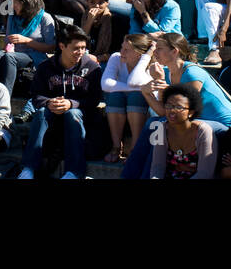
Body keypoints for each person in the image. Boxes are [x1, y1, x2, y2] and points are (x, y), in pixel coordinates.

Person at [17, 23, 104, 180]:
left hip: (80, 119)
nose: (81, 52)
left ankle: (74, 171)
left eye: (84, 47)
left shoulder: (92, 68)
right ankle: (28, 168)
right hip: (52, 119)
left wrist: (72, 103)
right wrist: (49, 103)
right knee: (42, 112)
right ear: (62, 46)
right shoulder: (45, 67)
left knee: (73, 113)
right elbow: (36, 97)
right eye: (76, 48)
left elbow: (95, 99)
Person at [0, 0, 56, 95]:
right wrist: (9, 46)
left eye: (16, 2)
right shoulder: (13, 17)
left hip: (35, 55)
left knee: (10, 57)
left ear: (26, 3)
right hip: (15, 53)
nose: (13, 5)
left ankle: (5, 98)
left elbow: (51, 47)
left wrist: (26, 41)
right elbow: (7, 40)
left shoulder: (44, 18)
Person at [100, 33, 154, 162]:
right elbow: (106, 84)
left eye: (126, 50)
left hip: (144, 104)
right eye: (121, 47)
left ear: (139, 54)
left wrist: (146, 57)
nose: (121, 52)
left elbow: (134, 80)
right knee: (114, 96)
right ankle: (116, 146)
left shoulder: (151, 65)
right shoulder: (116, 57)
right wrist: (138, 88)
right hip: (121, 102)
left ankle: (135, 148)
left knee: (135, 96)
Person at [149, 84, 218, 179]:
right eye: (168, 105)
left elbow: (205, 173)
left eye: (179, 107)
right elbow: (157, 167)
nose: (172, 110)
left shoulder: (203, 131)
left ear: (191, 113)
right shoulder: (161, 129)